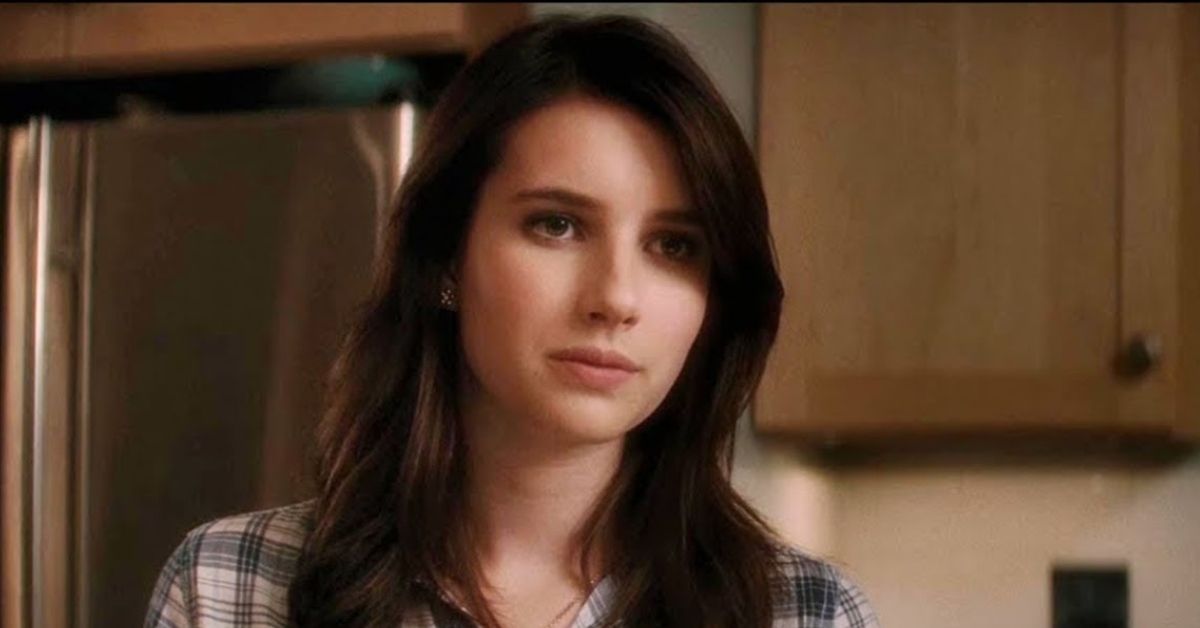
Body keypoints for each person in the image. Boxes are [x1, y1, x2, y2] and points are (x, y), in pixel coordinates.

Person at [144, 14, 879, 628]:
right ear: (446, 257)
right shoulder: (229, 589)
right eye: (557, 225)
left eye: (674, 246)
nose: (616, 297)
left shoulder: (804, 614)